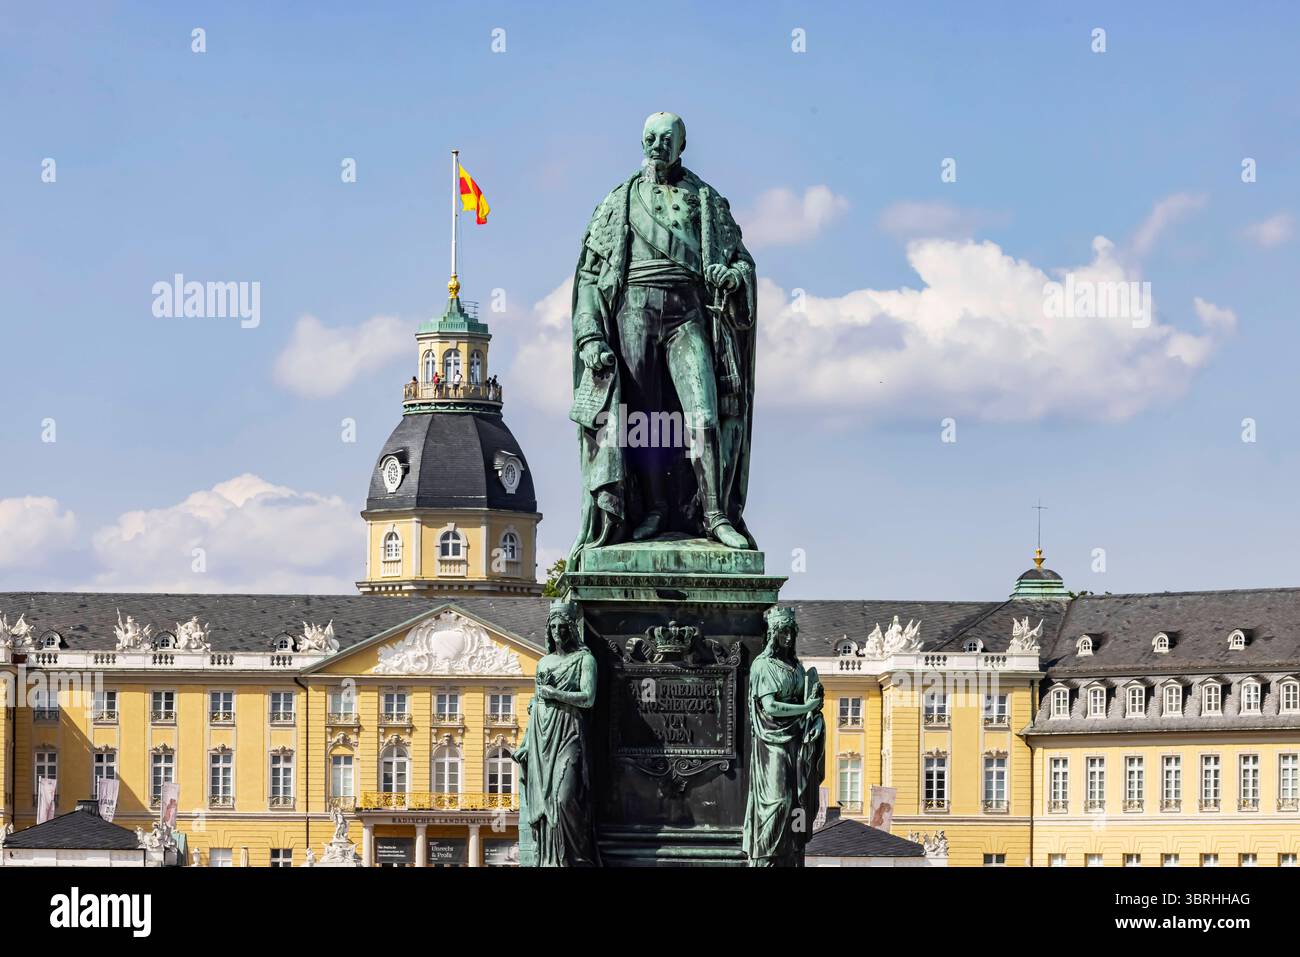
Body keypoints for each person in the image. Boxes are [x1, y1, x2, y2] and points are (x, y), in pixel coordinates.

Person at [568, 112, 757, 567]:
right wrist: (591, 336)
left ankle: (715, 515)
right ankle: (652, 508)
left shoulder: (707, 200)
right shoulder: (618, 201)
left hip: (688, 312)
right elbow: (591, 277)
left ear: (681, 146)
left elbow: (742, 261)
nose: (657, 145)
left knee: (704, 415)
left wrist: (733, 278)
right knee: (645, 420)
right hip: (633, 309)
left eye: (666, 139)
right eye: (650, 138)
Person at [513, 600, 599, 866]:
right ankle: (550, 859)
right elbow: (536, 703)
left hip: (570, 731)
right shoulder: (543, 663)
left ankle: (576, 859)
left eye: (563, 627)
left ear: (572, 628)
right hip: (542, 735)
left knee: (563, 799)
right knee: (545, 803)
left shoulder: (585, 660)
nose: (558, 632)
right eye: (553, 627)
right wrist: (526, 743)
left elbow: (588, 697)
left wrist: (555, 694)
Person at [743, 606, 825, 866]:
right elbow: (771, 707)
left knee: (796, 802)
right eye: (783, 632)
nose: (788, 638)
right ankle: (766, 856)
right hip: (771, 742)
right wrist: (806, 708)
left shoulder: (796, 667)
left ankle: (790, 854)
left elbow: (808, 703)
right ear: (772, 634)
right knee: (779, 800)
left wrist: (815, 715)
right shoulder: (763, 665)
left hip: (797, 739)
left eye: (791, 632)